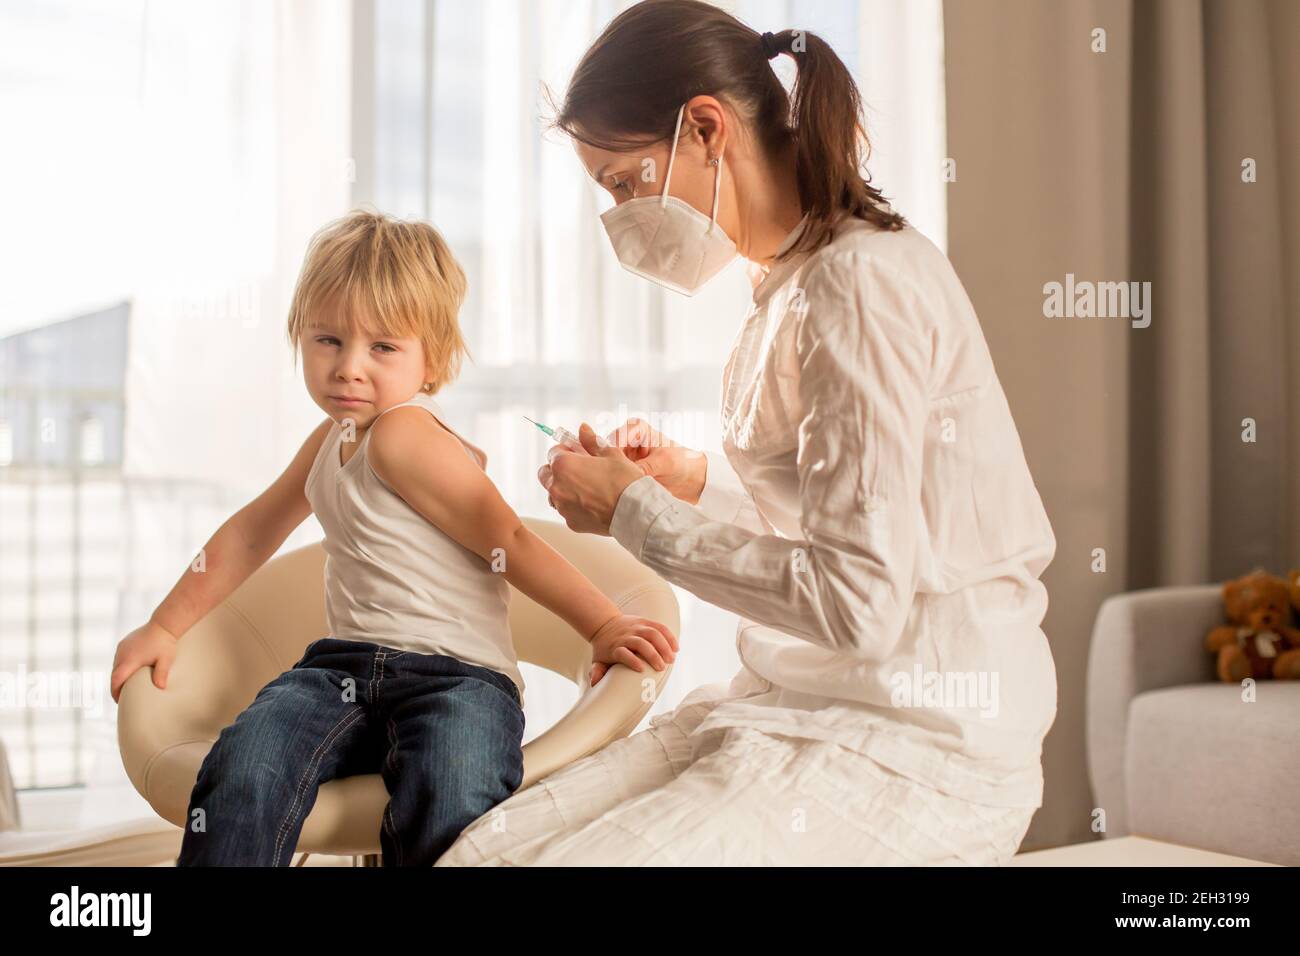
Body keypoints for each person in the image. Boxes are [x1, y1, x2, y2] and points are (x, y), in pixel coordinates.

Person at [436, 0, 1057, 866]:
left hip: (912, 740)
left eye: (623, 182)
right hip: (791, 700)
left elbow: (858, 604)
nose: (618, 218)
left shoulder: (858, 286)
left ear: (704, 128)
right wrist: (687, 484)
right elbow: (835, 524)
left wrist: (634, 514)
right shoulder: (790, 282)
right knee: (478, 853)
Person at [109, 210, 678, 866]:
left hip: (457, 680)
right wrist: (164, 625)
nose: (349, 367)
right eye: (327, 340)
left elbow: (510, 541)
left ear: (429, 359)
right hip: (338, 670)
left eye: (382, 348)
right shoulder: (328, 442)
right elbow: (248, 534)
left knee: (450, 790)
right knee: (246, 767)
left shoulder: (406, 434)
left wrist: (603, 624)